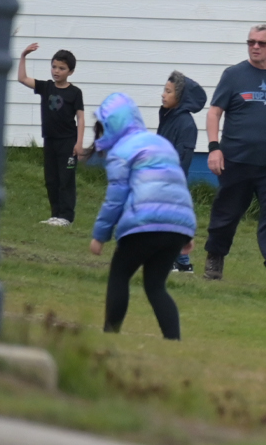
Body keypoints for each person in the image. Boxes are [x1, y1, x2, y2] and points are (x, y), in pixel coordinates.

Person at [88, 93, 197, 340]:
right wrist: (186, 233)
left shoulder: (121, 152)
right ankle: (173, 341)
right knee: (155, 286)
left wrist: (99, 236)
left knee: (120, 275)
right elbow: (178, 185)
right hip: (175, 227)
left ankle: (110, 334)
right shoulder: (162, 144)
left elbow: (116, 198)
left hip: (143, 224)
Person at [202, 24, 266, 290]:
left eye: (261, 43)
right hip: (235, 160)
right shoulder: (233, 75)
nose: (255, 47)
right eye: (251, 42)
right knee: (226, 215)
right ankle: (214, 260)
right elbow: (214, 113)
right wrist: (214, 148)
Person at [16, 43, 85, 226]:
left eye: (61, 68)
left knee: (66, 179)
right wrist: (23, 55)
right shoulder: (45, 87)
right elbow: (22, 78)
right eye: (54, 67)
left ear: (70, 71)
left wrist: (79, 143)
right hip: (50, 140)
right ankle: (55, 215)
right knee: (52, 179)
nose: (56, 71)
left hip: (68, 142)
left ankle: (66, 217)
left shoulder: (75, 93)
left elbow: (81, 118)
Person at [158, 71, 207, 274]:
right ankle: (182, 262)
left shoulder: (186, 124)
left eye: (168, 91)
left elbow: (182, 157)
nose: (163, 95)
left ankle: (172, 261)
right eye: (164, 90)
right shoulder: (168, 117)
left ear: (180, 97)